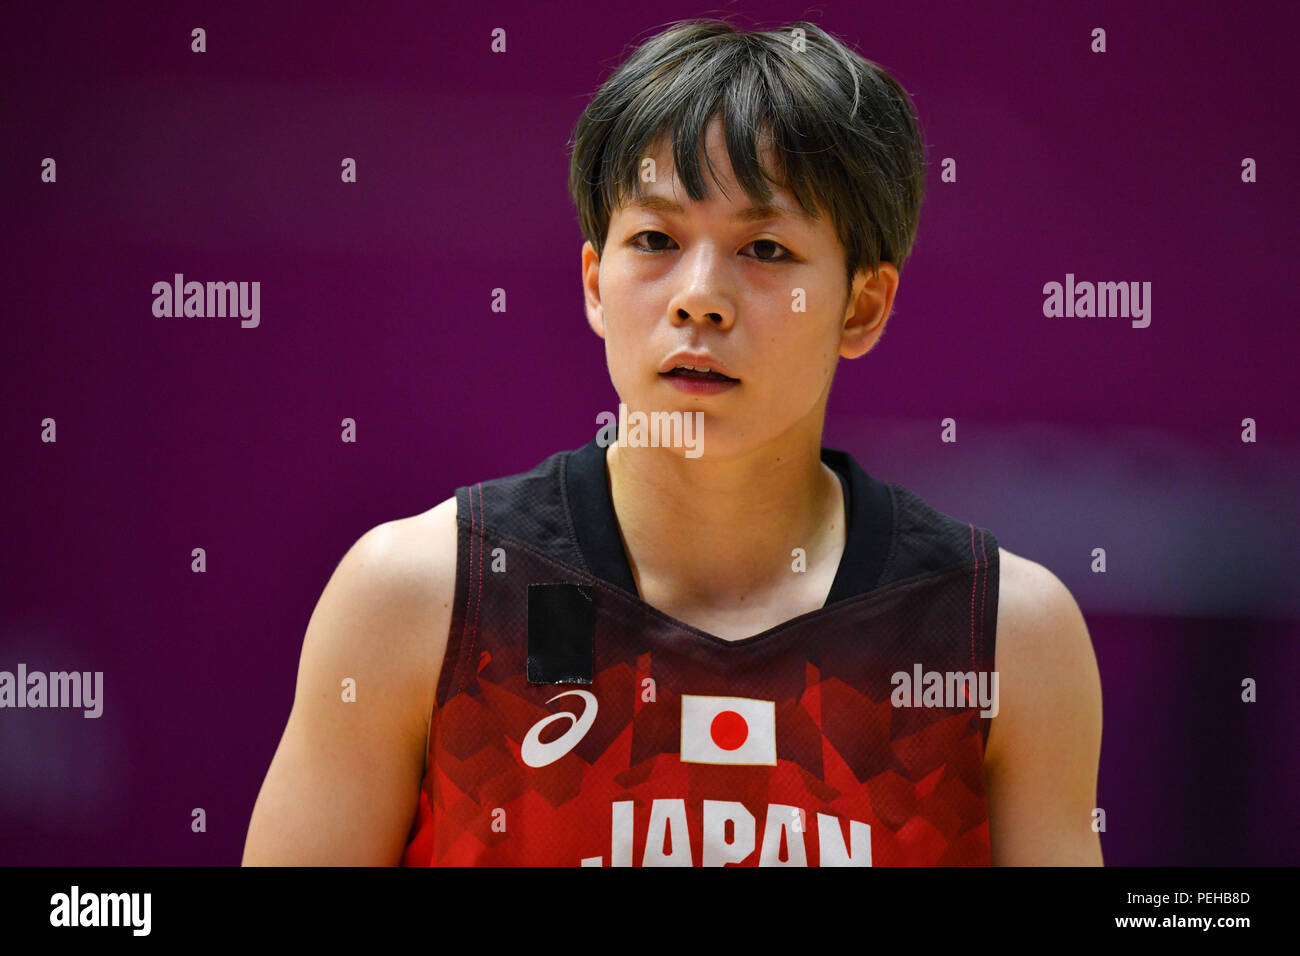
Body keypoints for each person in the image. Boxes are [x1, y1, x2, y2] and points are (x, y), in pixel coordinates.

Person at [243, 18, 1102, 866]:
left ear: (862, 307)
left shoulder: (1004, 640)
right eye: (655, 240)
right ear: (594, 283)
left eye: (764, 248)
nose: (700, 298)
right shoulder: (417, 600)